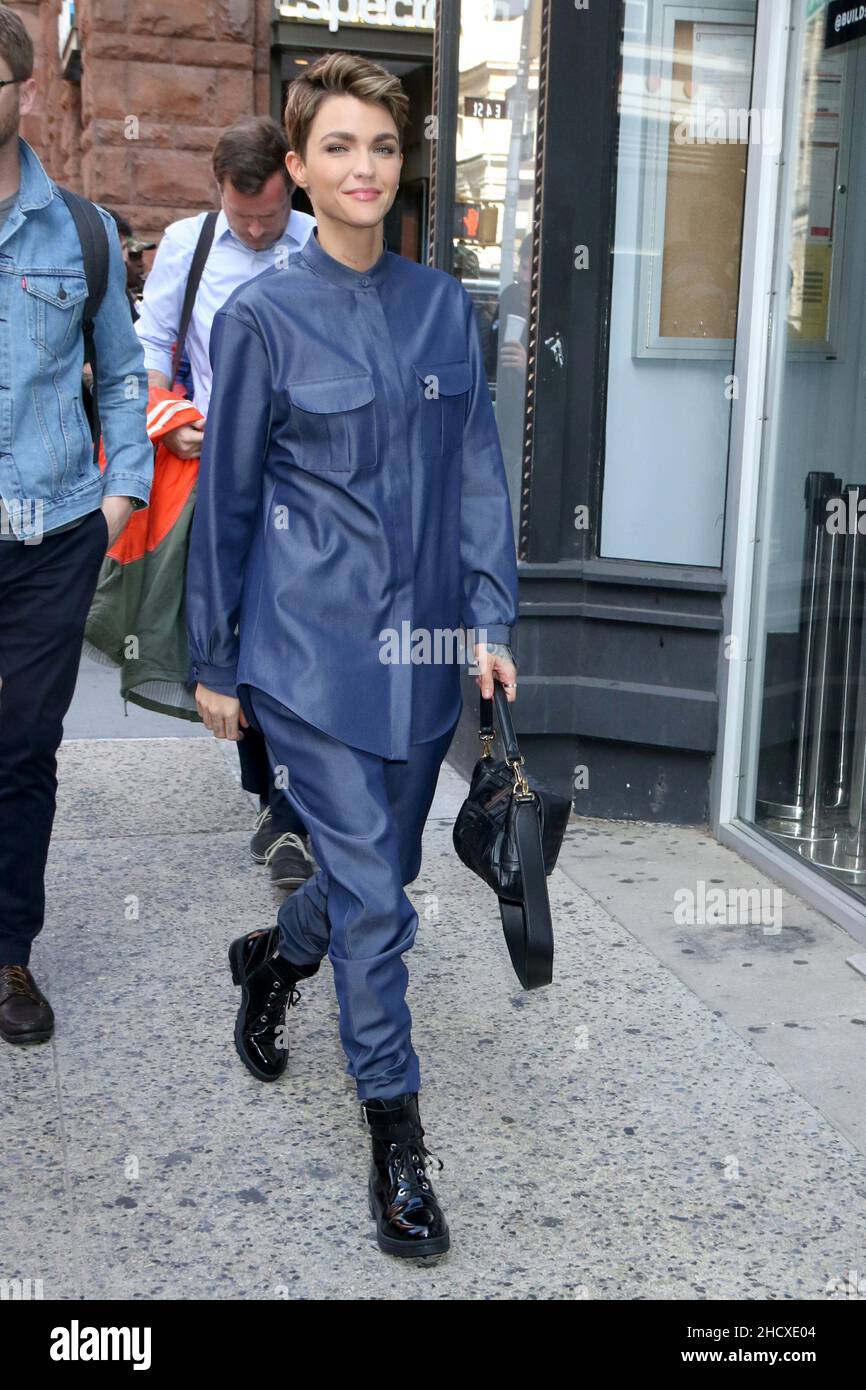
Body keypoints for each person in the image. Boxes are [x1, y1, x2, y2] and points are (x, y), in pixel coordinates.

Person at [186, 52, 519, 1259]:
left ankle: (273, 961)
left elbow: (477, 471)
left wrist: (488, 618)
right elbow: (223, 505)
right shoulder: (259, 318)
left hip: (424, 657)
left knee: (368, 869)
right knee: (381, 902)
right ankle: (396, 1138)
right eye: (337, 146)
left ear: (401, 164)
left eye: (380, 147)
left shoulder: (444, 307)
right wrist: (213, 663)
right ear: (297, 166)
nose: (361, 168)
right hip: (308, 660)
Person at [0, 6, 152, 1045]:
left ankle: (9, 954)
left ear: (23, 92)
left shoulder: (85, 233)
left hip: (53, 531)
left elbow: (125, 374)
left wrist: (116, 501)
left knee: (22, 746)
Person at [135, 116, 317, 891]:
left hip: (309, 470)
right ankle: (271, 795)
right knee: (237, 632)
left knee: (303, 626)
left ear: (290, 180)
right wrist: (169, 420)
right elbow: (148, 349)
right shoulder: (189, 242)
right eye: (240, 214)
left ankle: (298, 804)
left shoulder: (317, 240)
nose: (252, 227)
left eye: (267, 216)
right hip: (221, 468)